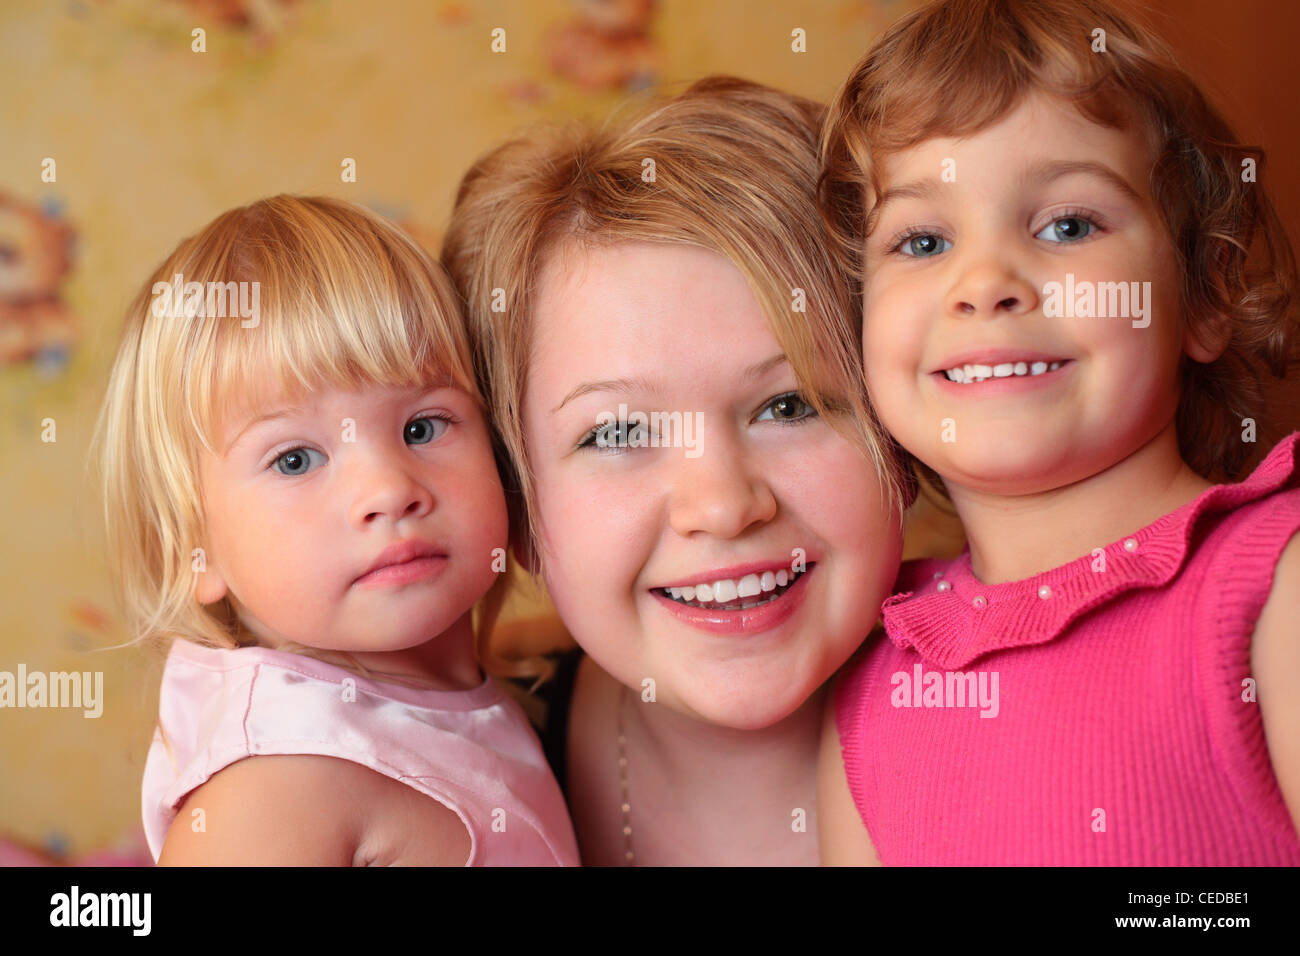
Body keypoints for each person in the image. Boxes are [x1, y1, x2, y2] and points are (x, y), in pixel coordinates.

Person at [818, 0, 1300, 865]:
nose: (985, 282)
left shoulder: (1276, 589)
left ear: (1206, 293)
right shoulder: (871, 680)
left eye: (1068, 226)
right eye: (922, 241)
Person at [443, 77, 910, 864]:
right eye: (619, 431)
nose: (723, 506)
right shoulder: (429, 790)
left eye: (789, 407)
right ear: (515, 505)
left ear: (901, 437)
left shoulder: (1040, 720)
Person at [92, 195, 579, 865]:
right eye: (295, 459)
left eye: (422, 427)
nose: (387, 491)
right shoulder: (279, 791)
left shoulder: (481, 694)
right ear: (190, 549)